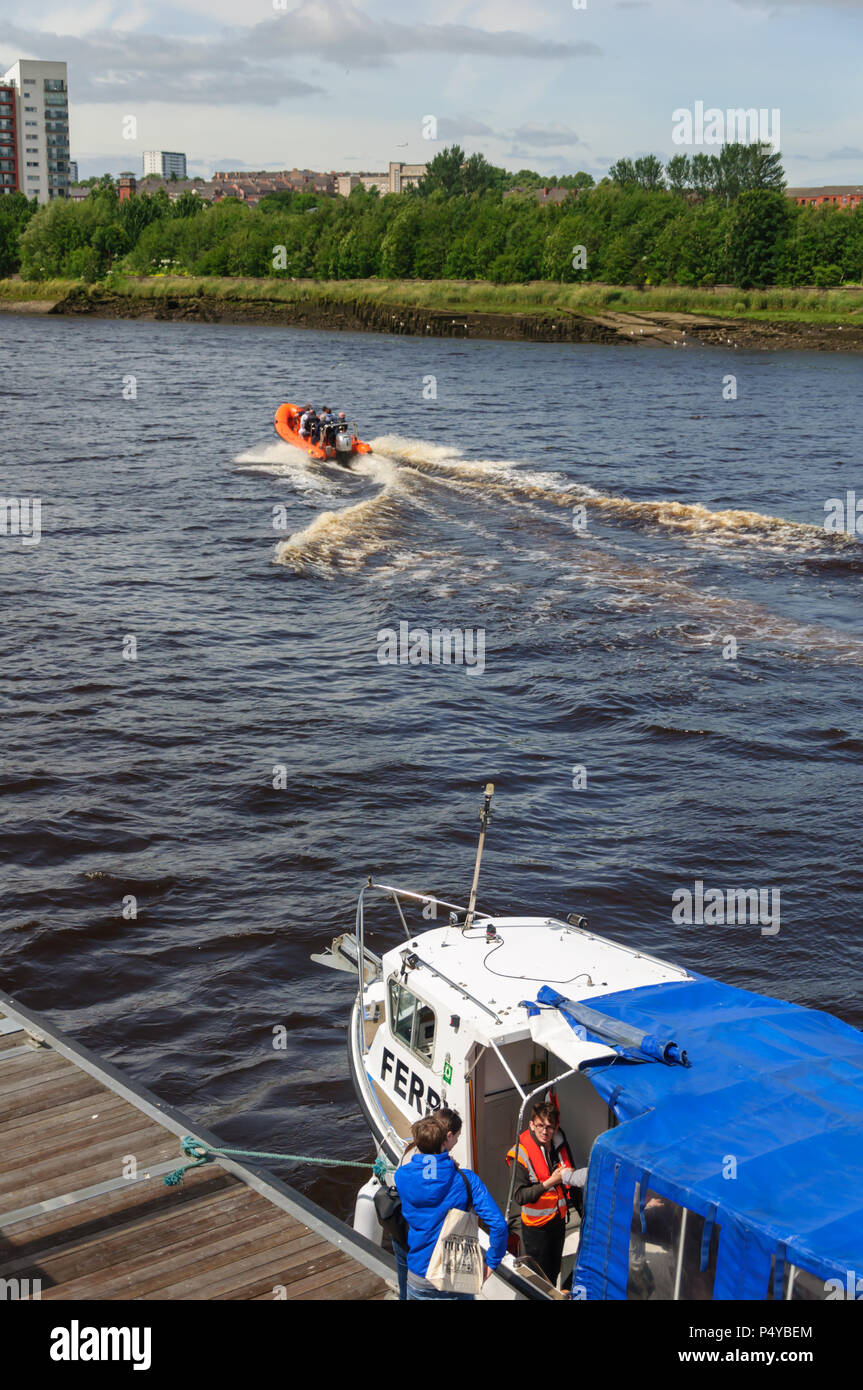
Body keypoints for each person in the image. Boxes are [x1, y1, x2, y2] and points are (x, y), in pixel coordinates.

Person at [395, 1110, 507, 1301]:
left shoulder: (402, 1176)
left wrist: (443, 1163)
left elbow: (426, 1174)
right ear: (444, 1141)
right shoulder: (466, 1180)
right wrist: (491, 1263)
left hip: (419, 1276)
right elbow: (499, 1225)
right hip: (455, 1276)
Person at [506, 1100, 587, 1287]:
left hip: (558, 1223)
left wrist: (584, 1217)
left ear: (556, 1127)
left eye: (549, 1127)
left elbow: (572, 1183)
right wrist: (550, 1182)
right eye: (540, 1126)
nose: (545, 1131)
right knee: (539, 1280)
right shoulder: (520, 1153)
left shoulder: (559, 1144)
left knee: (554, 1271)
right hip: (536, 1230)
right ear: (531, 1125)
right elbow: (520, 1196)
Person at [390, 1107, 462, 1301]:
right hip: (414, 1239)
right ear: (446, 1136)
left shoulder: (414, 1152)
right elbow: (430, 1196)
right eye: (456, 1137)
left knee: (406, 1287)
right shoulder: (431, 1164)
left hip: (402, 1232)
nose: (456, 1142)